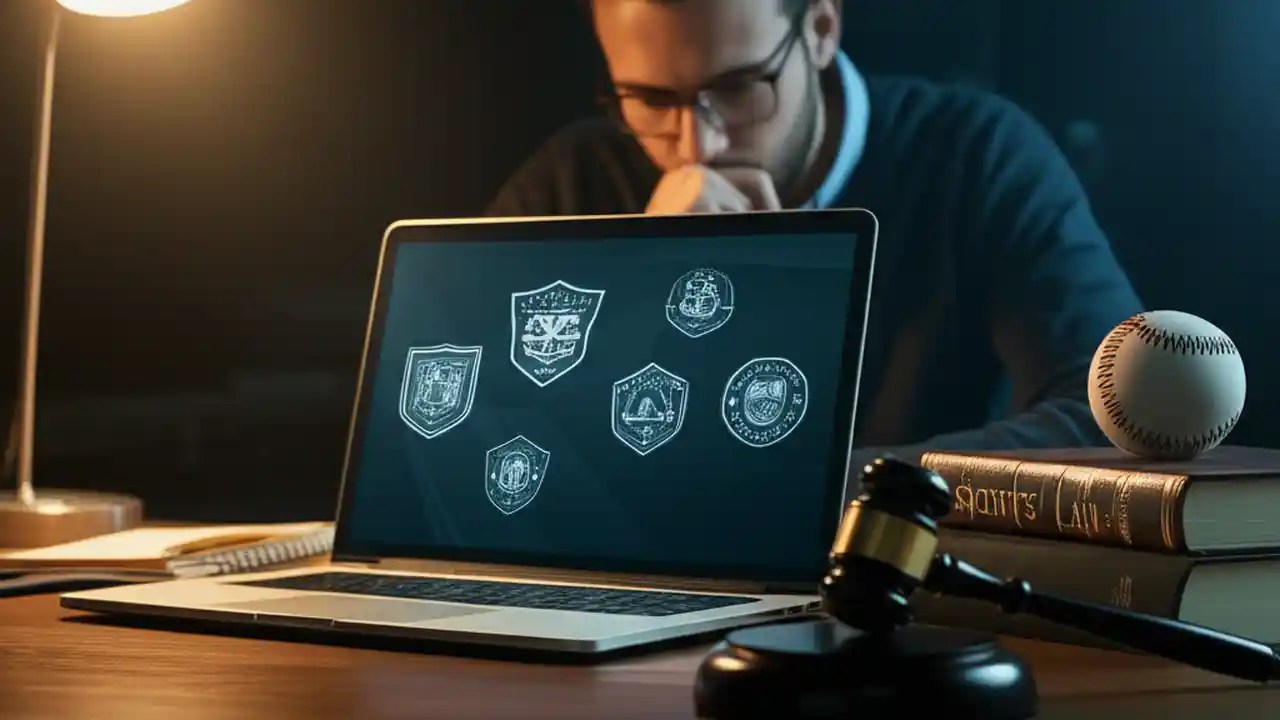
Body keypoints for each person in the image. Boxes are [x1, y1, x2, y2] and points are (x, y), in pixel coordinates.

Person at [485, 0, 1144, 498]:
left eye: (740, 88)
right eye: (650, 100)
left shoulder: (976, 155)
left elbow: (1112, 413)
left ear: (822, 29)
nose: (698, 146)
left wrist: (813, 488)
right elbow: (468, 436)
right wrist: (647, 282)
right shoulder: (572, 179)